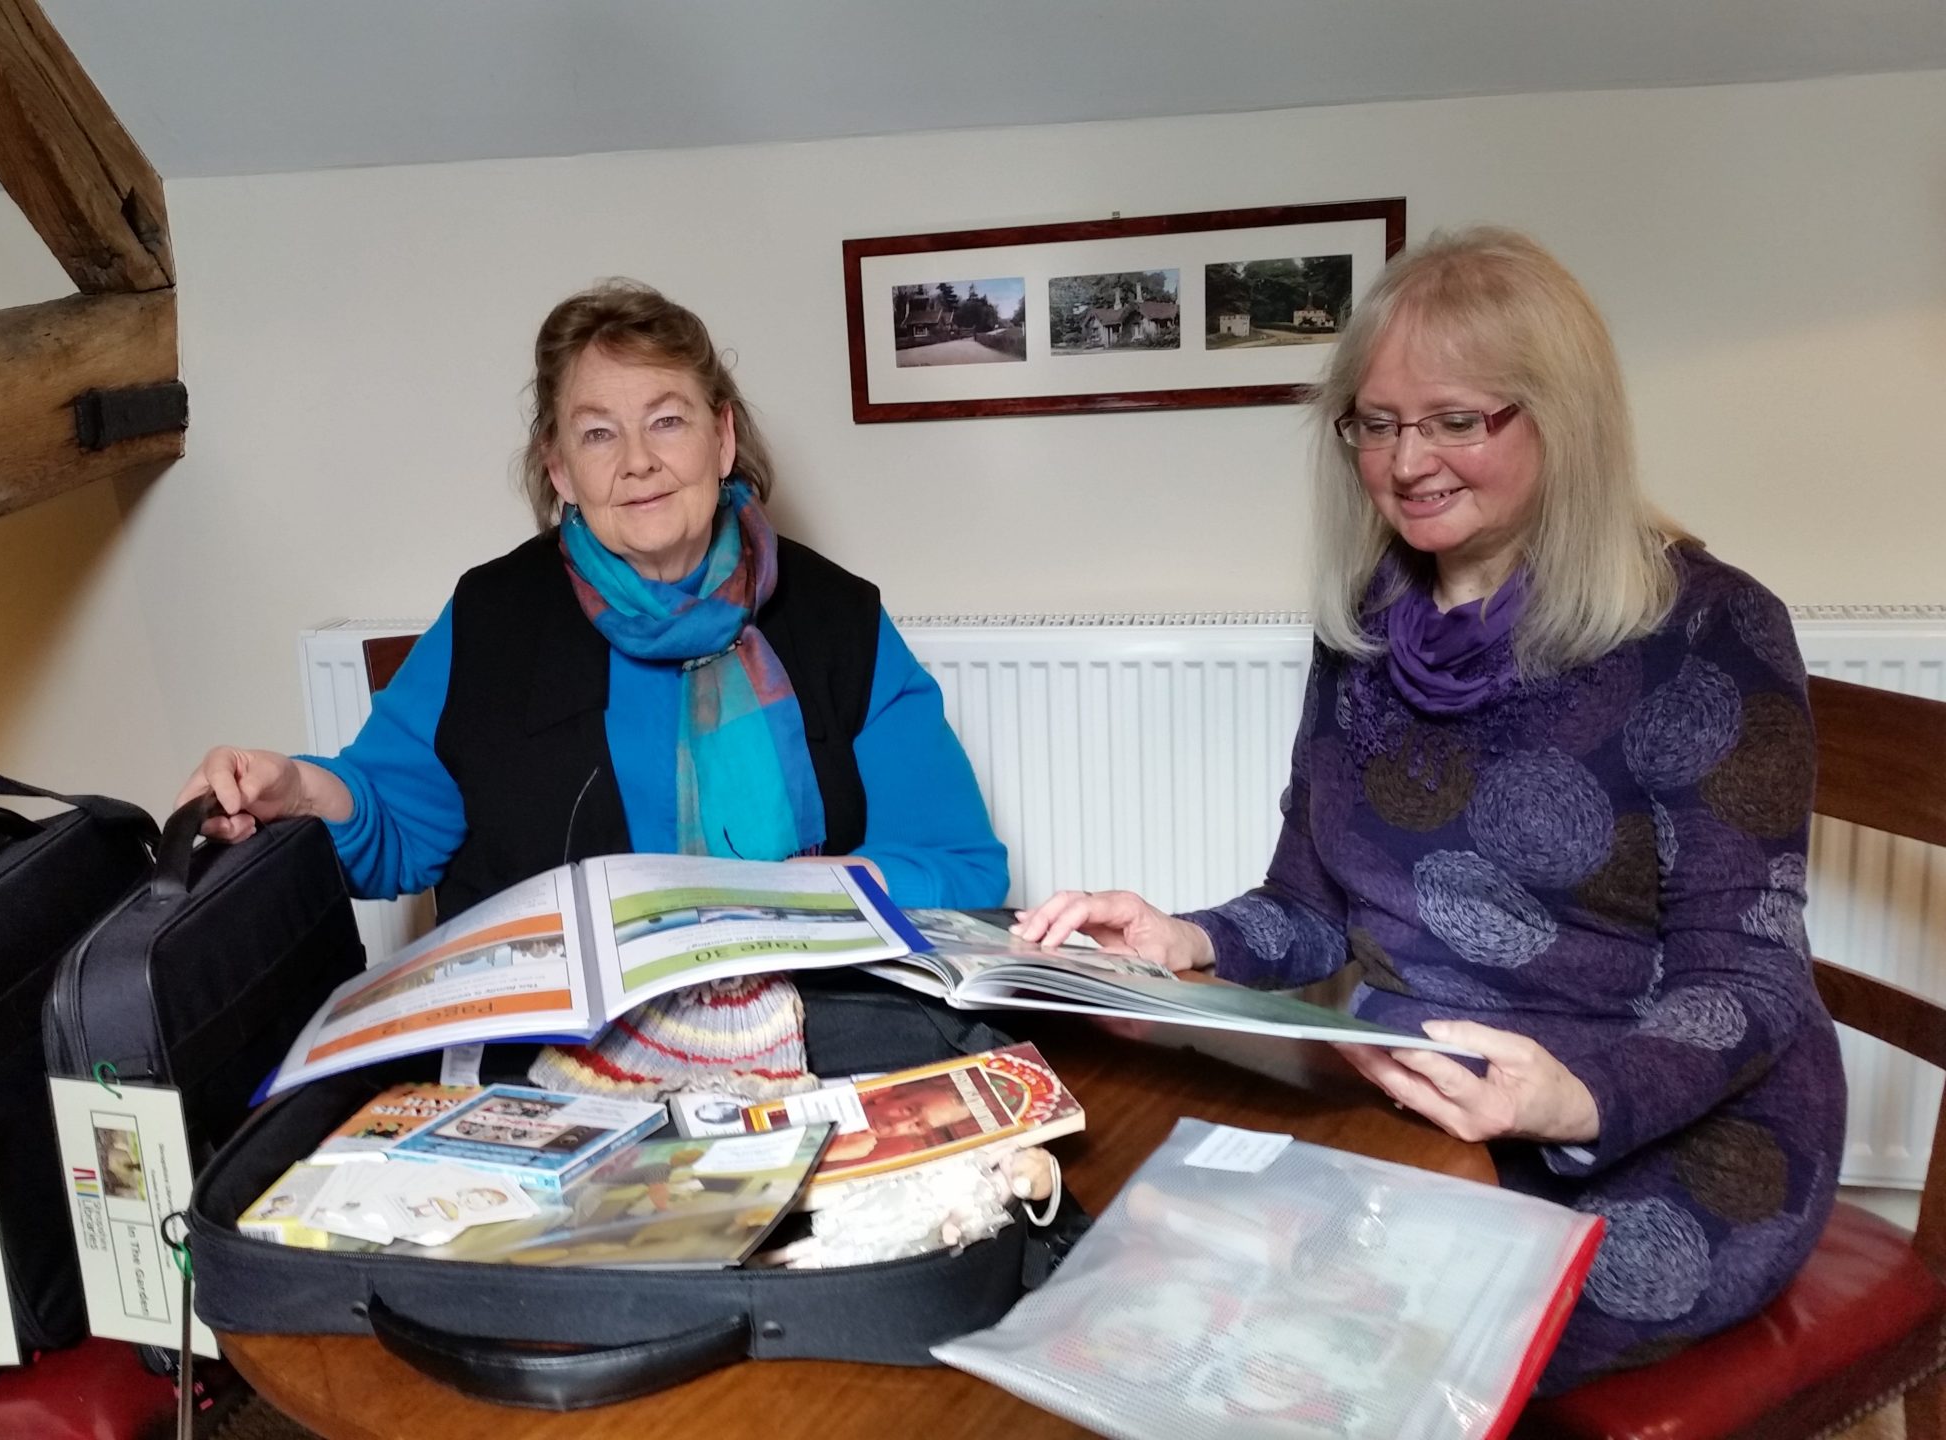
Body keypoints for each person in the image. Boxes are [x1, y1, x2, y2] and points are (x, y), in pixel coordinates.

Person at [1012, 227, 1840, 1392]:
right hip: (1416, 1098)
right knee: (1144, 1264)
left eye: (1456, 420)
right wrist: (1181, 937)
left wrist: (1575, 1096)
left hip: (1666, 1129)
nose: (1408, 461)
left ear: (1564, 419)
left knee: (1357, 1344)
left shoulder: (1707, 628)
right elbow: (1304, 907)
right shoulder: (1361, 626)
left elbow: (1747, 983)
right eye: (1376, 421)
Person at [178, 280, 1007, 1088]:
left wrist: (765, 906)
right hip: (547, 1070)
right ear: (562, 470)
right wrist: (298, 787)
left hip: (802, 1043)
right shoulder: (491, 615)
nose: (639, 462)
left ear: (721, 440)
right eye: (600, 434)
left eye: (667, 421)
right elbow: (391, 822)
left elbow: (959, 866)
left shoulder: (840, 617)